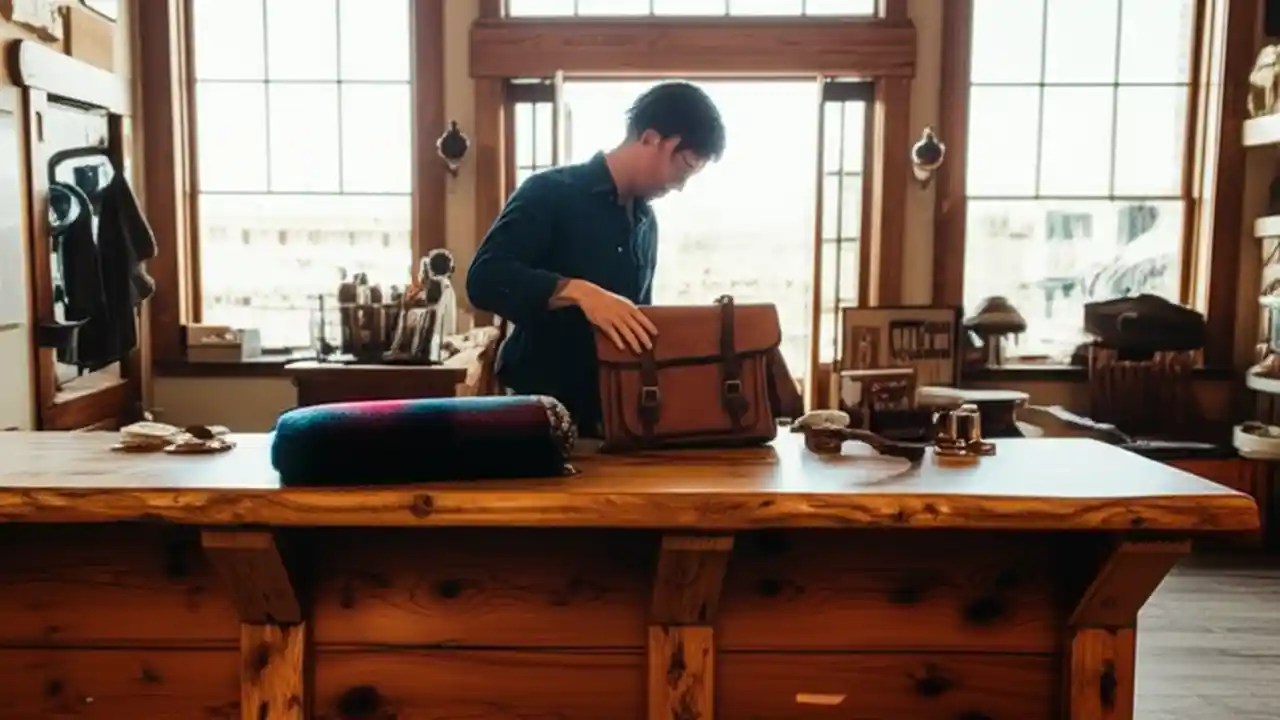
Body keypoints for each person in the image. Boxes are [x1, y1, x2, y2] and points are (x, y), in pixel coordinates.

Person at [466, 81, 726, 436]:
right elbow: (483, 280)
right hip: (538, 415)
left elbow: (633, 321)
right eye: (684, 167)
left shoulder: (646, 222)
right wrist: (578, 292)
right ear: (651, 138)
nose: (680, 185)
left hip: (615, 419)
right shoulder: (549, 192)